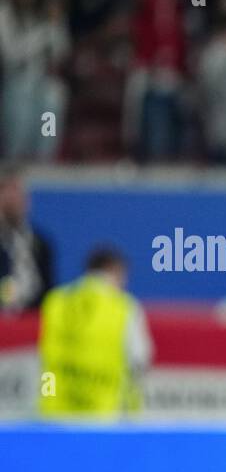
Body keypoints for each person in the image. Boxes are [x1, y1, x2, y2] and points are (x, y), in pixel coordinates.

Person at [38, 246, 152, 415]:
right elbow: (140, 358)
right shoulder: (124, 307)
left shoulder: (55, 301)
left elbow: (43, 354)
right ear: (115, 270)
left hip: (55, 409)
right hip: (104, 413)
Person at [0, 164, 54, 313]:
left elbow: (48, 287)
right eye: (7, 193)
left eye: (18, 193)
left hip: (32, 316)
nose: (14, 199)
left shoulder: (40, 242)